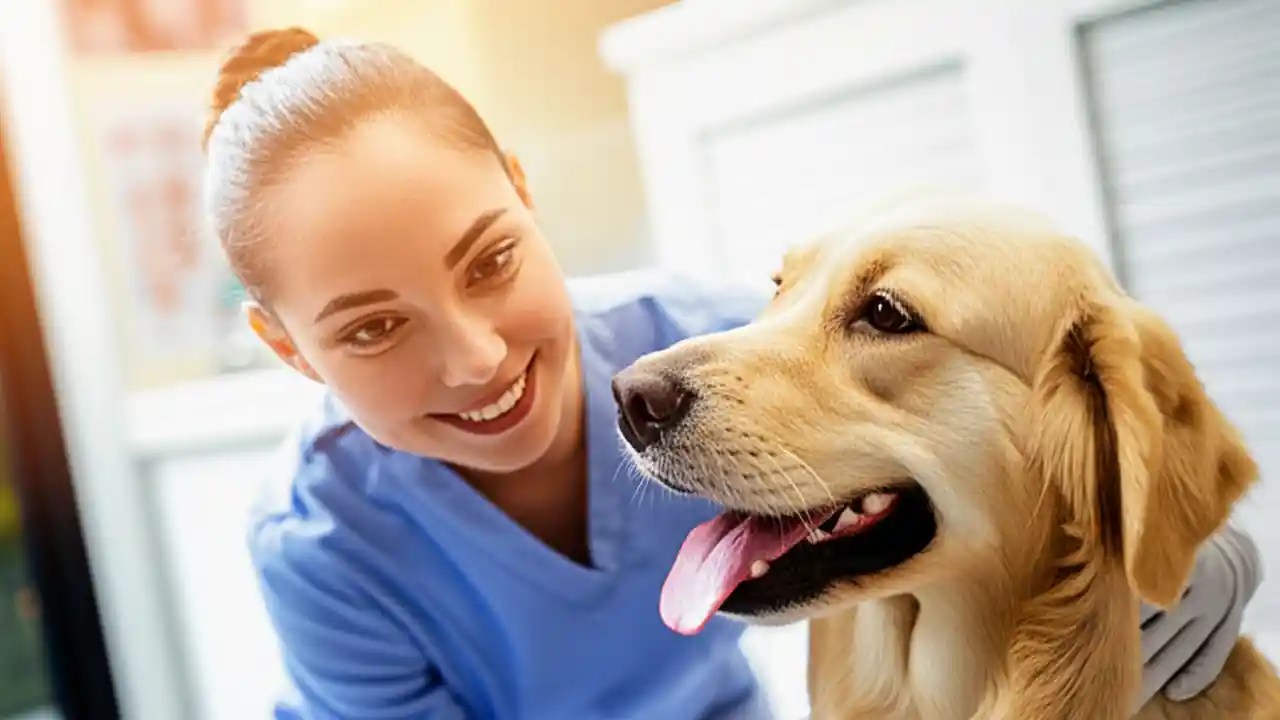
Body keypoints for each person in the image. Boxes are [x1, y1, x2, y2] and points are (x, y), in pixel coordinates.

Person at [200, 27, 1264, 720]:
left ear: (525, 197)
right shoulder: (320, 547)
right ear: (290, 350)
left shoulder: (701, 347)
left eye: (489, 261)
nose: (476, 358)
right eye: (374, 329)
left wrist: (1198, 543)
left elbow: (1053, 424)